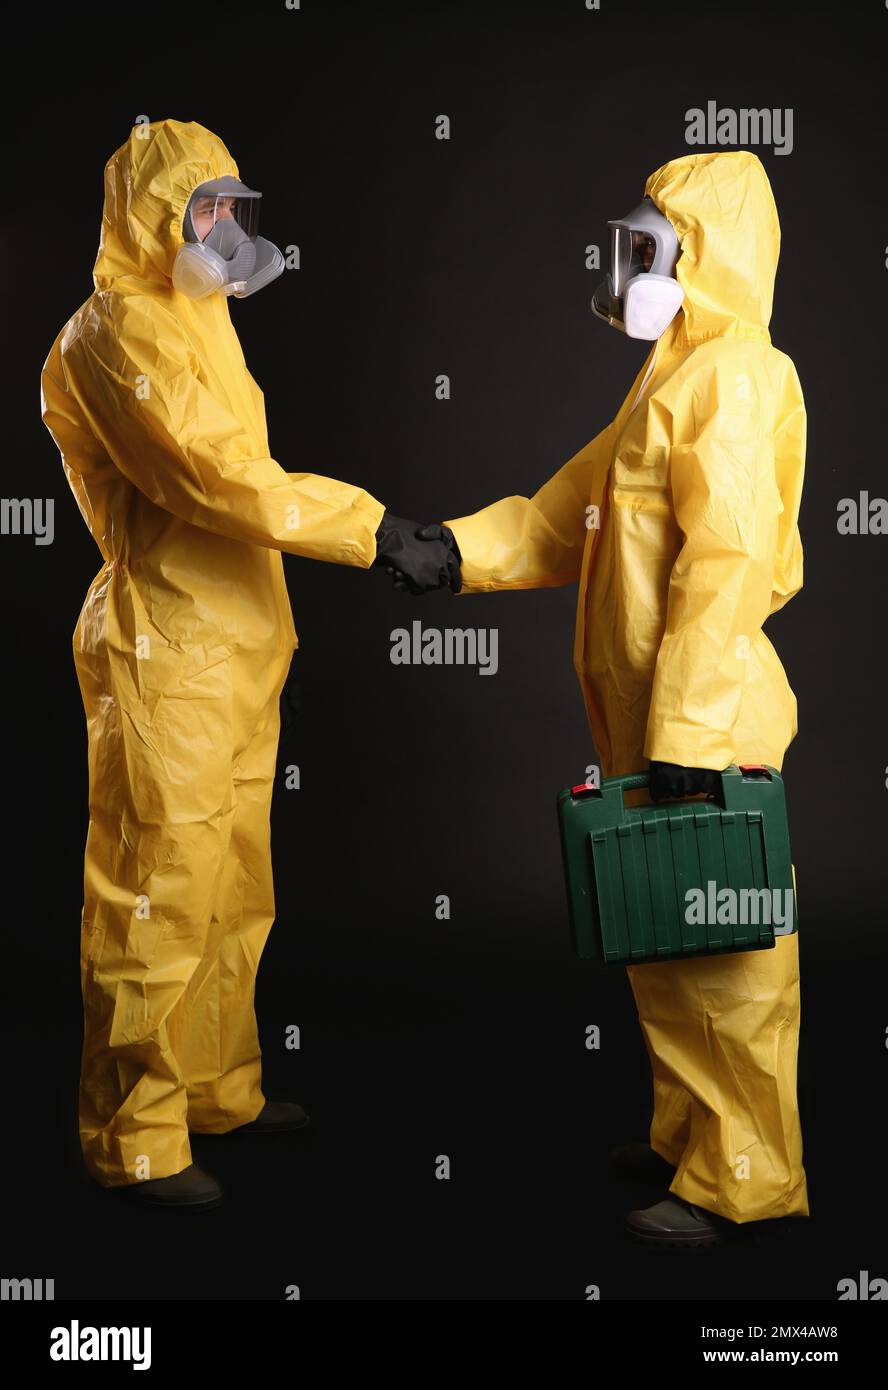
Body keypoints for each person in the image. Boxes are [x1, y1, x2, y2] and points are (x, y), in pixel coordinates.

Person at [40, 118, 459, 1209]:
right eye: (204, 209)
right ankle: (133, 1136)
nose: (226, 232)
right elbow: (216, 477)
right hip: (166, 653)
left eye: (233, 207)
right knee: (155, 895)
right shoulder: (114, 333)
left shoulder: (199, 316)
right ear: (153, 217)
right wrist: (373, 527)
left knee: (232, 890)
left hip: (237, 647)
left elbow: (241, 476)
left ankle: (215, 1090)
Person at [394, 150, 809, 1247]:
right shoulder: (670, 376)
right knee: (666, 932)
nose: (628, 268)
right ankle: (689, 1136)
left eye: (650, 246)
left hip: (700, 715)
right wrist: (455, 553)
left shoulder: (738, 376)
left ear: (705, 253)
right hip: (648, 711)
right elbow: (562, 514)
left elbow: (725, 563)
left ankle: (746, 1179)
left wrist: (687, 731)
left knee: (727, 957)